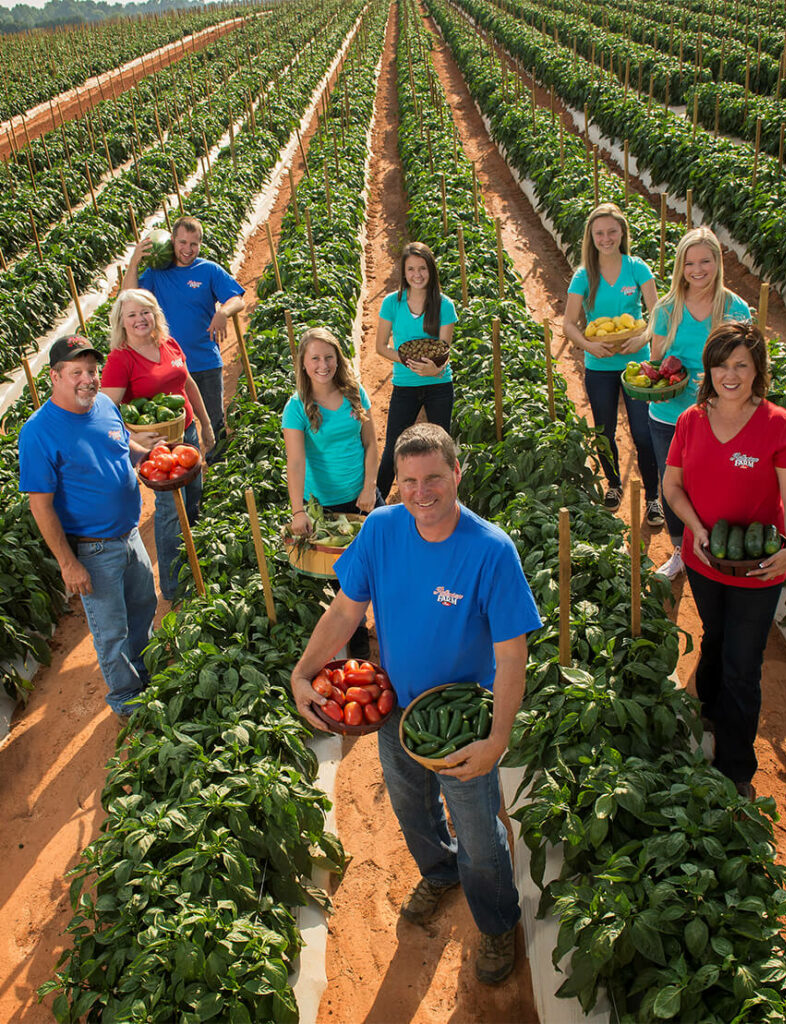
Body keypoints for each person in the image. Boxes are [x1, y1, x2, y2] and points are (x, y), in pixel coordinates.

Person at [290, 423, 542, 985]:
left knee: (479, 828)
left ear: (457, 474)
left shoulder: (491, 551)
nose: (421, 492)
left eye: (433, 478)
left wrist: (497, 738)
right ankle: (439, 870)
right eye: (408, 481)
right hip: (394, 706)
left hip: (461, 719)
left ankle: (499, 923)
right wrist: (303, 671)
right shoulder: (380, 530)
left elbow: (512, 656)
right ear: (396, 484)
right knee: (411, 809)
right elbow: (345, 613)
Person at [662, 321, 786, 799]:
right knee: (716, 637)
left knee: (743, 664)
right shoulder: (691, 421)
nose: (730, 374)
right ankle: (705, 712)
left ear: (756, 370)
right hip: (705, 560)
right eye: (722, 364)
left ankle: (736, 768)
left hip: (758, 567)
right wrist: (696, 527)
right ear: (709, 369)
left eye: (741, 365)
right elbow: (672, 486)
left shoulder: (777, 424)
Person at [18, 335, 158, 723]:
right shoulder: (38, 431)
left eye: (93, 371)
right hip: (93, 550)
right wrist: (68, 563)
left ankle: (146, 676)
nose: (88, 379)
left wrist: (150, 456)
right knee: (110, 631)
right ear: (55, 376)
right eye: (76, 372)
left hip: (130, 535)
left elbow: (122, 443)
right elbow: (40, 507)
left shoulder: (103, 407)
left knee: (143, 608)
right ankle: (128, 700)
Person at [648, 227, 751, 579]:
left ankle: (713, 546)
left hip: (718, 414)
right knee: (671, 483)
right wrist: (666, 374)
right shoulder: (667, 307)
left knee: (716, 481)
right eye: (690, 262)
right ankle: (679, 549)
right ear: (680, 266)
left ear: (717, 263)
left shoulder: (733, 307)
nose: (698, 269)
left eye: (705, 261)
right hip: (669, 413)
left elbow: (744, 361)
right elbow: (657, 360)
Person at [101, 289, 214, 602]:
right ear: (121, 322)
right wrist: (135, 441)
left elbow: (187, 382)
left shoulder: (167, 342)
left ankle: (195, 567)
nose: (140, 319)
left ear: (155, 314)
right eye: (132, 315)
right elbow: (105, 412)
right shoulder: (120, 359)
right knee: (168, 514)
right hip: (157, 448)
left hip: (186, 434)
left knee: (194, 500)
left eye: (145, 312)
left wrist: (205, 423)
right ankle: (174, 588)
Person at [282, 327, 383, 659]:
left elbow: (370, 443)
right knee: (348, 584)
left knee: (383, 566)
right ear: (304, 363)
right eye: (315, 358)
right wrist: (298, 511)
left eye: (329, 357)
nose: (323, 365)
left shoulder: (355, 393)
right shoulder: (297, 407)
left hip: (364, 497)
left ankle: (388, 631)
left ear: (338, 359)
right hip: (326, 506)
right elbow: (295, 463)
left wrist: (369, 487)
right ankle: (358, 648)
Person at [563, 202, 663, 525]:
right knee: (604, 430)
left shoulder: (638, 268)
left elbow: (656, 315)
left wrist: (644, 337)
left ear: (622, 233)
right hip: (600, 365)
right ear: (591, 238)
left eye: (612, 231)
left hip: (636, 365)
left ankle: (653, 497)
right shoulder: (583, 275)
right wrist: (590, 345)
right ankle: (614, 484)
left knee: (643, 433)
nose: (606, 238)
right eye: (599, 233)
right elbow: (568, 324)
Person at [122, 215, 245, 461]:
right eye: (182, 242)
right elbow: (128, 297)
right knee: (176, 429)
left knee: (214, 422)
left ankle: (217, 472)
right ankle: (184, 477)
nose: (187, 249)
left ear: (200, 244)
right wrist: (134, 262)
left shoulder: (208, 270)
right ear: (172, 242)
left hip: (205, 361)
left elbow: (237, 299)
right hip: (170, 367)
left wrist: (223, 311)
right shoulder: (156, 274)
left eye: (193, 244)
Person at [375, 242, 458, 498]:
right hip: (405, 386)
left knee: (440, 449)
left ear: (431, 270)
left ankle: (444, 498)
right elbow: (380, 346)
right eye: (411, 269)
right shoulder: (392, 303)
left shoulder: (444, 305)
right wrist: (406, 361)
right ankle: (373, 505)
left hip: (439, 386)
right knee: (392, 450)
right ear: (404, 272)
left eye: (422, 268)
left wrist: (435, 370)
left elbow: (445, 349)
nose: (417, 274)